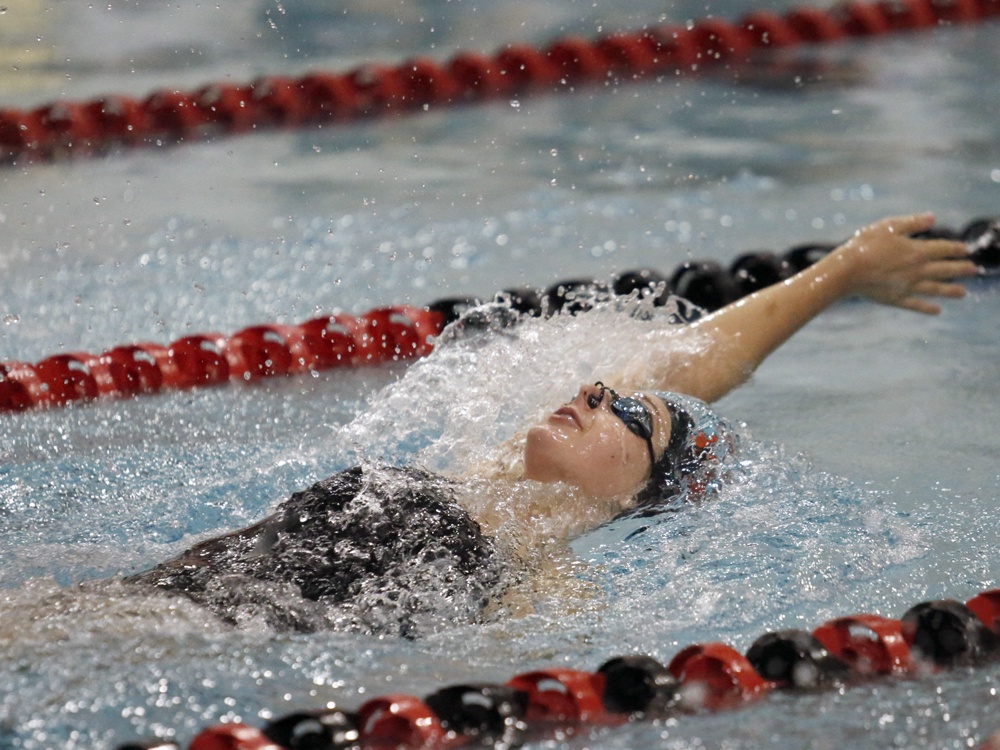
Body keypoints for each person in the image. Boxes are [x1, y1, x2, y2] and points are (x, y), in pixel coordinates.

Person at [125, 213, 977, 636]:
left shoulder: (541, 586)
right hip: (133, 600)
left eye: (628, 416)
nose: (598, 394)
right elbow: (686, 361)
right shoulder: (484, 473)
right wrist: (842, 270)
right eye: (604, 391)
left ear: (637, 495)